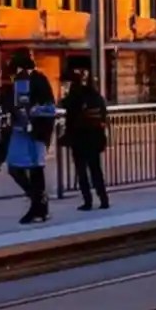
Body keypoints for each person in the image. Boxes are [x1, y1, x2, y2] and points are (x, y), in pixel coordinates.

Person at [6, 50, 57, 224]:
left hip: (34, 131)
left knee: (33, 168)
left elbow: (48, 107)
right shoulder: (24, 80)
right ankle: (38, 203)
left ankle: (38, 205)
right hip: (27, 129)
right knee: (26, 168)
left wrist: (32, 112)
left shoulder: (36, 80)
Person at [60, 67, 109, 211]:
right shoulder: (96, 96)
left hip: (80, 138)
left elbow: (67, 110)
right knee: (96, 169)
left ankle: (88, 201)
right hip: (95, 137)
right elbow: (103, 114)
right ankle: (103, 199)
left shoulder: (74, 96)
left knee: (82, 171)